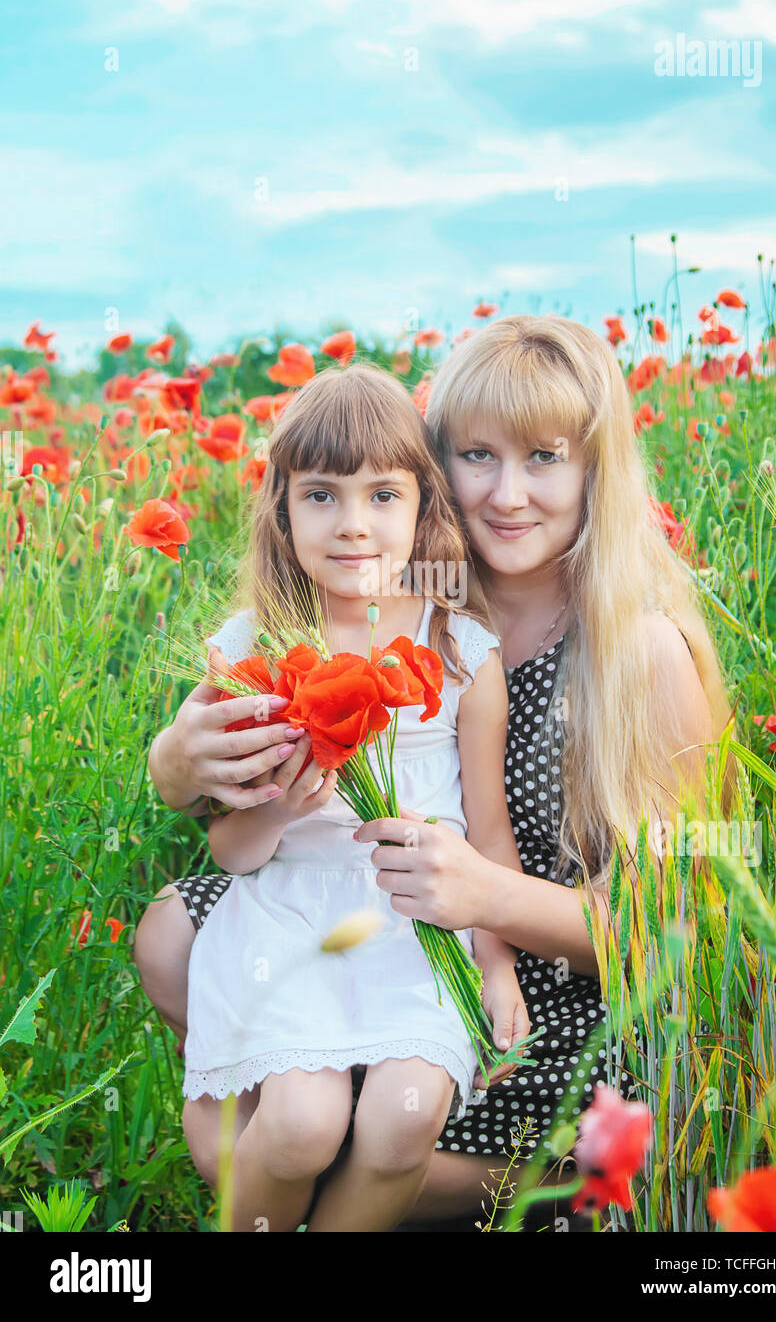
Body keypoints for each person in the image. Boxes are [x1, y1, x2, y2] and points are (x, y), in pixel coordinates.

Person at [139, 315, 734, 1226]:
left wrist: (489, 899)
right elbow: (248, 794)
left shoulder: (638, 655)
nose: (506, 493)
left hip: (540, 985)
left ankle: (472, 1182)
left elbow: (686, 931)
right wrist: (174, 763)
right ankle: (269, 1135)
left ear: (596, 469)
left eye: (545, 457)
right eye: (475, 455)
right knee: (170, 936)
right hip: (364, 912)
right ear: (432, 473)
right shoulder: (403, 593)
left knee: (364, 1138)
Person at [138, 361, 538, 1233]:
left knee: (401, 1120)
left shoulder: (465, 650)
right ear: (281, 508)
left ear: (425, 507)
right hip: (290, 923)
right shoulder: (253, 649)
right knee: (298, 1129)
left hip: (420, 930)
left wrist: (496, 964)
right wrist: (279, 807)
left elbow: (491, 838)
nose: (354, 525)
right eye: (321, 496)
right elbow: (231, 851)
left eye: (382, 495)